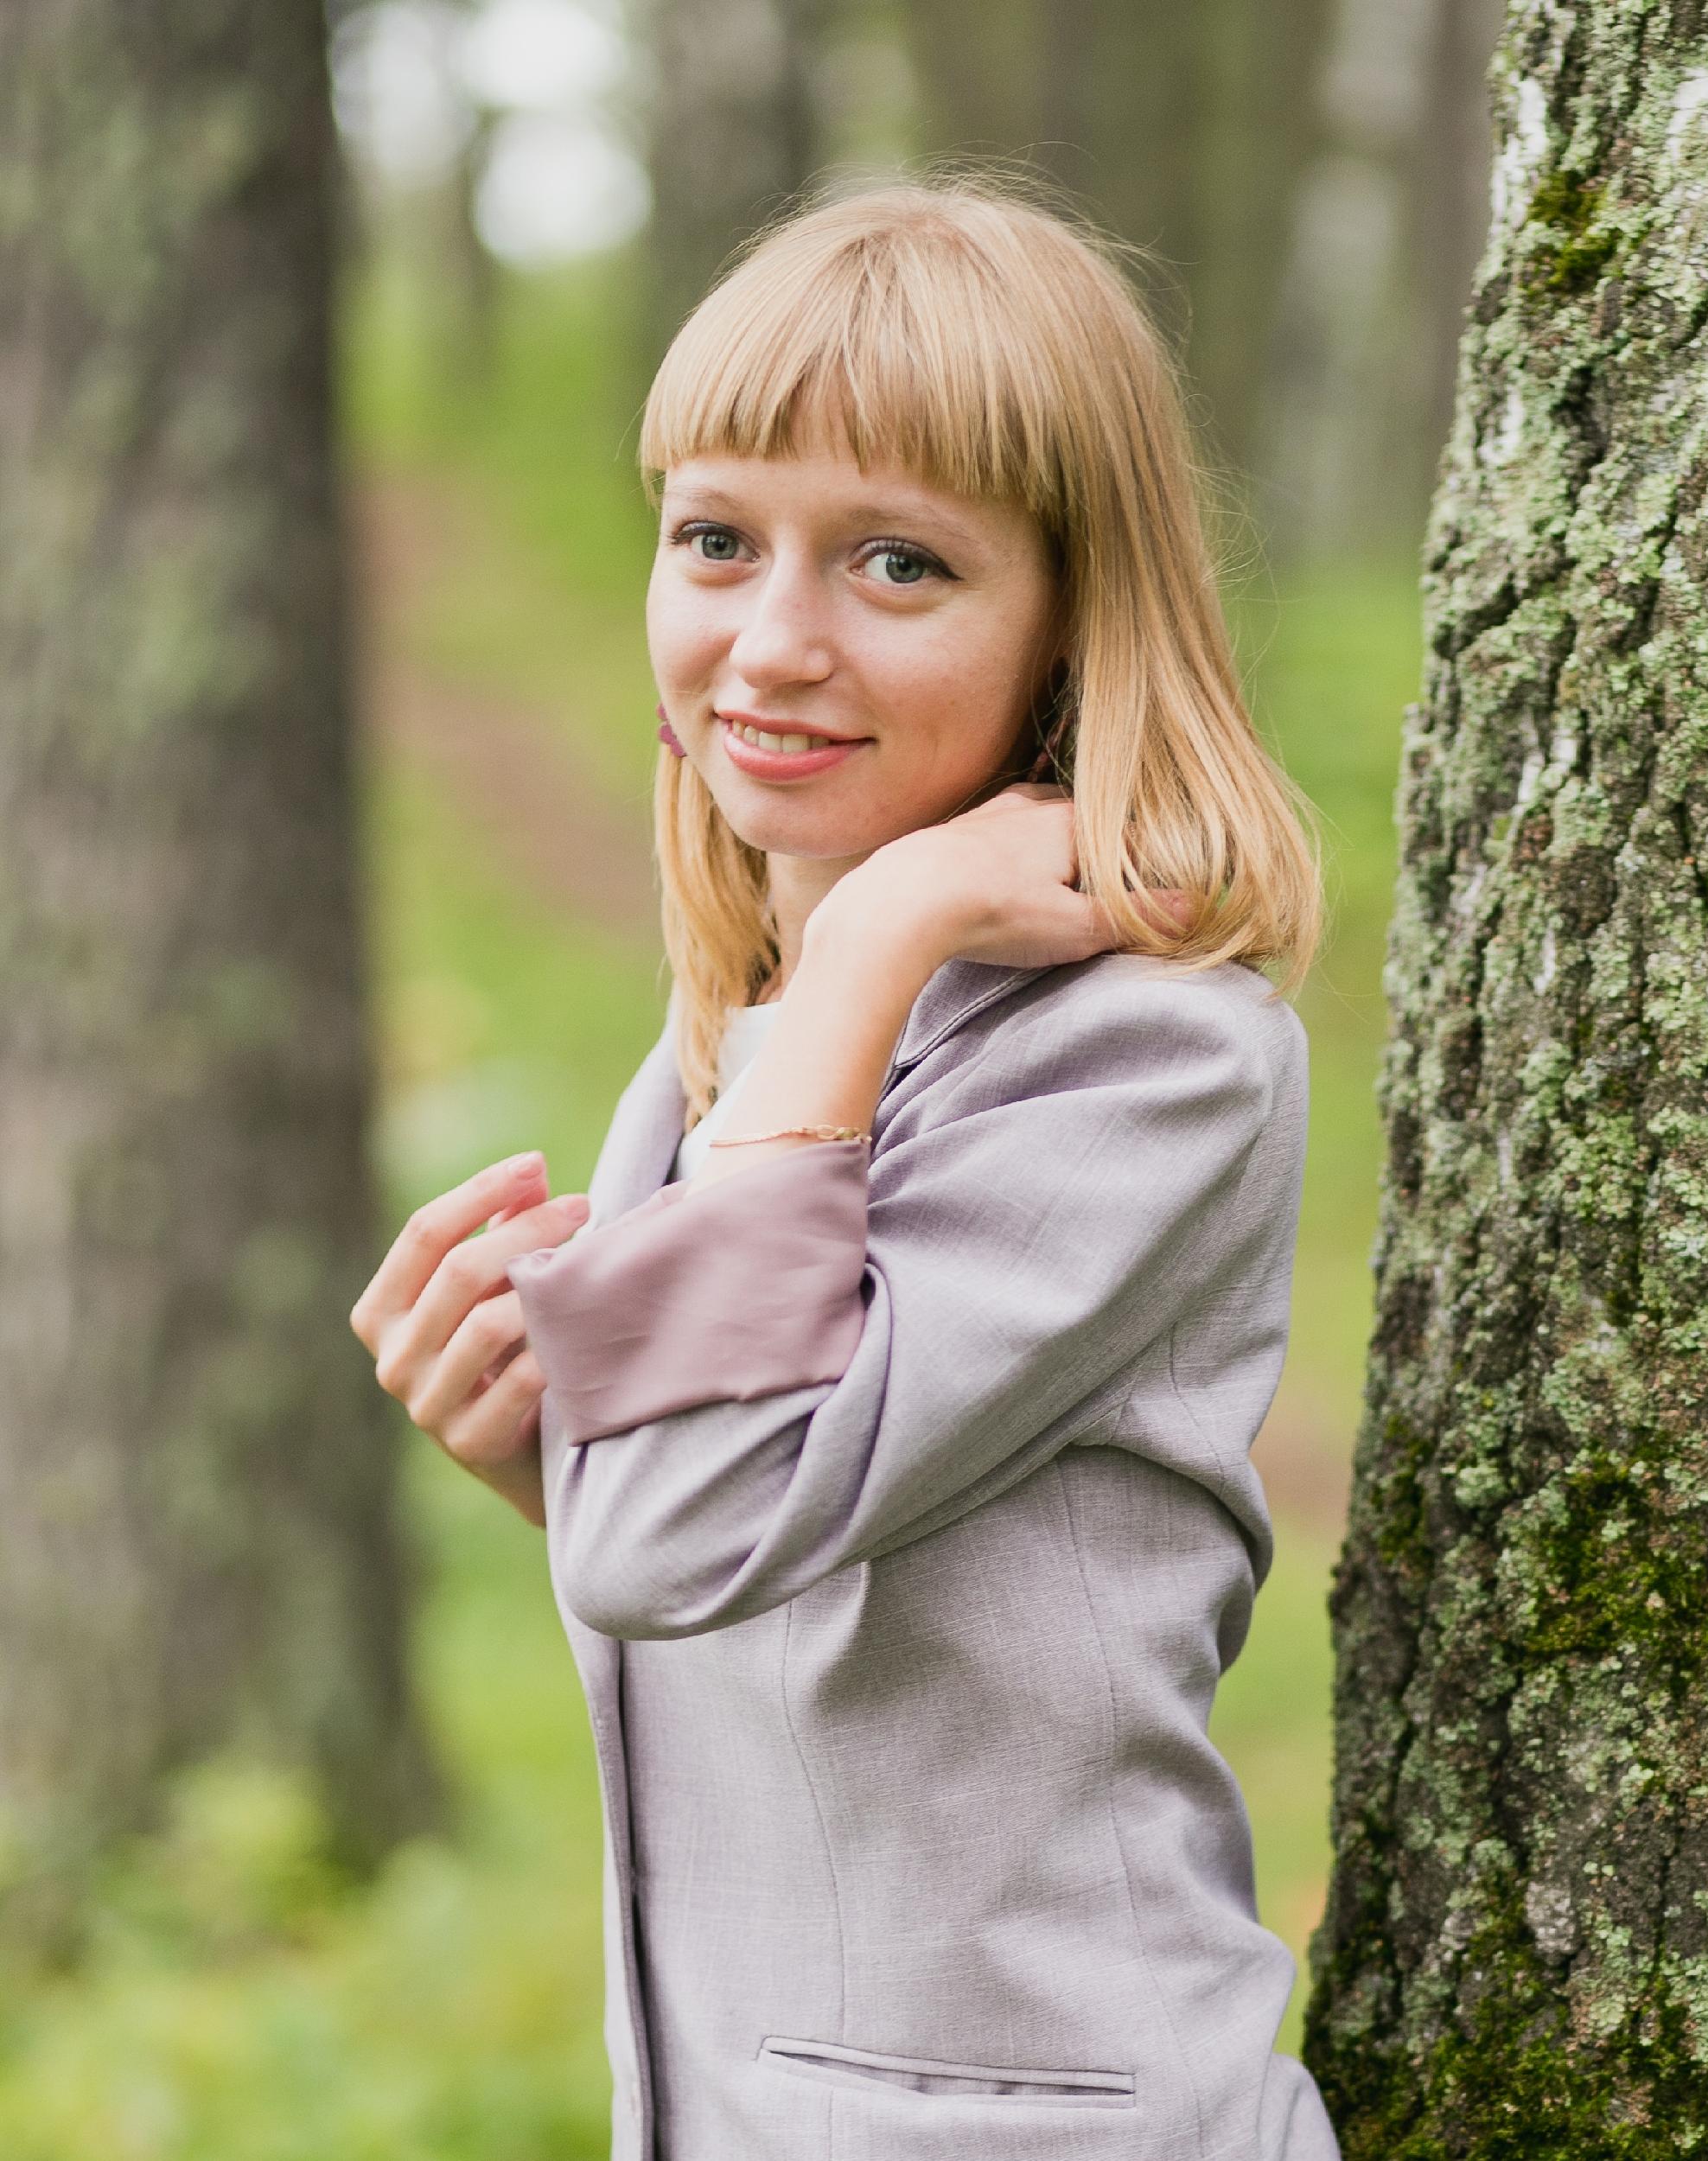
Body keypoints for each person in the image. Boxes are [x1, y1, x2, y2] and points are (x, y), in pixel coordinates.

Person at [350, 175, 1341, 2161]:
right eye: (716, 537)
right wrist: (558, 1456)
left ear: (1073, 615)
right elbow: (757, 1542)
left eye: (898, 563)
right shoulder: (741, 1042)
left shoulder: (1151, 1063)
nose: (773, 641)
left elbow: (687, 1528)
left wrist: (888, 932)